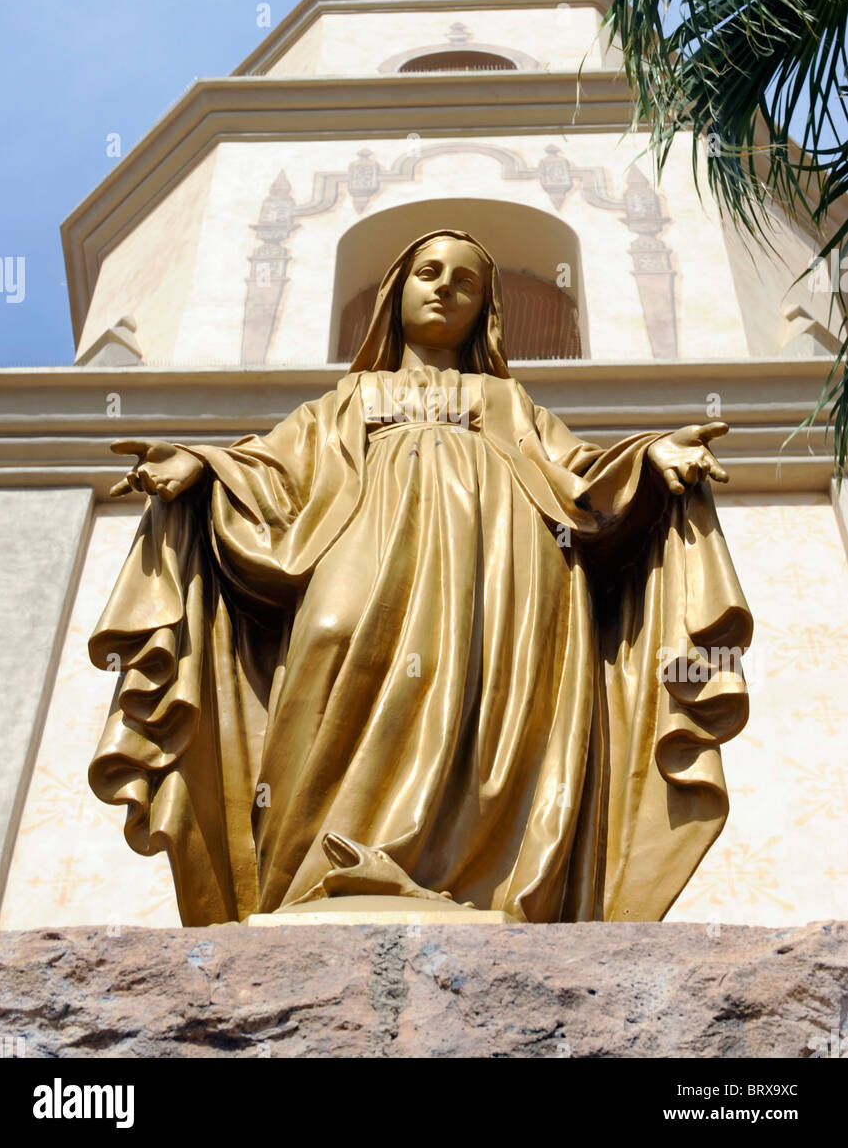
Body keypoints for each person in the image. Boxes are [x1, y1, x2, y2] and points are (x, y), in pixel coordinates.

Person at [89, 230, 750, 925]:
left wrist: (651, 457)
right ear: (394, 292)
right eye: (427, 272)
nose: (443, 287)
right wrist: (199, 468)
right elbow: (273, 474)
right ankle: (317, 872)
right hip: (362, 548)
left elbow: (580, 479)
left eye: (464, 281)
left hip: (504, 564)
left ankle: (468, 881)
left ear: (485, 311)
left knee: (488, 701)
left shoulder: (505, 400)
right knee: (329, 644)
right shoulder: (348, 398)